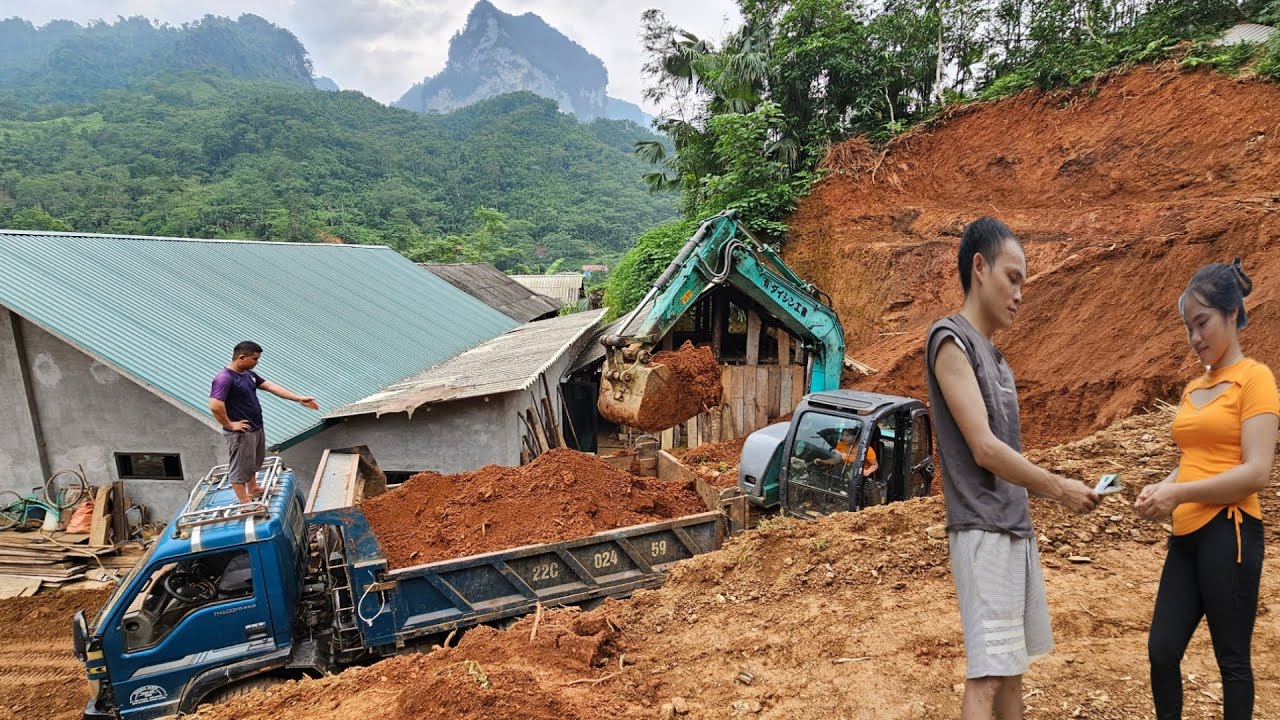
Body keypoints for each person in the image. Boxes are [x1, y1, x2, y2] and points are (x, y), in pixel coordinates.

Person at [925, 216, 1099, 719]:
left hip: (1013, 527)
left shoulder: (998, 360)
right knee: (987, 676)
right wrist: (1059, 488)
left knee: (1012, 670)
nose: (1020, 293)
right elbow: (983, 447)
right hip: (982, 529)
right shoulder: (950, 341)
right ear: (979, 268)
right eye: (1013, 277)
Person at [1135, 258, 1276, 720]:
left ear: (1231, 314)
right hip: (1187, 535)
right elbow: (1190, 461)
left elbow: (1257, 472)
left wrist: (1179, 494)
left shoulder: (1255, 378)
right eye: (1188, 328)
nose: (1195, 338)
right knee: (1162, 649)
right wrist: (1164, 487)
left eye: (1203, 323)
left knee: (1231, 660)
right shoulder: (1194, 387)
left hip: (1230, 532)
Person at [208, 341, 319, 504]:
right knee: (240, 466)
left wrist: (298, 398)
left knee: (253, 461)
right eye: (254, 359)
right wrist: (230, 425)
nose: (257, 362)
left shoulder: (248, 374)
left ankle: (252, 488)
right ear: (241, 357)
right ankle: (245, 502)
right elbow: (215, 404)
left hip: (255, 426)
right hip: (241, 432)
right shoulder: (224, 378)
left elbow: (271, 386)